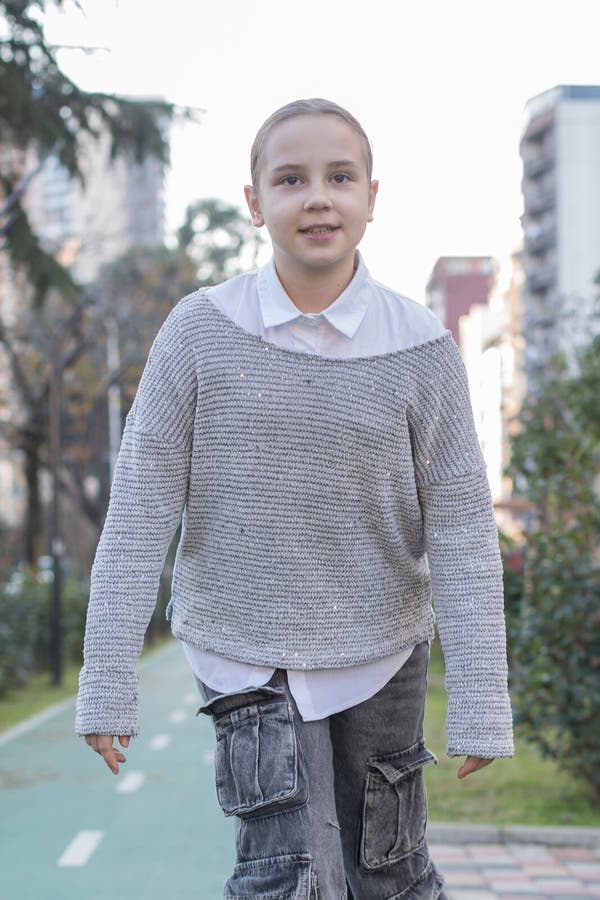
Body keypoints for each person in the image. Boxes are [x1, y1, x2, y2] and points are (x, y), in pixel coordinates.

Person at [76, 98, 514, 899]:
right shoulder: (198, 333)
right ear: (255, 203)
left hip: (384, 651)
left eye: (339, 177)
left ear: (372, 198)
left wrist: (482, 697)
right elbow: (141, 506)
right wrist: (107, 677)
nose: (318, 196)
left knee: (391, 876)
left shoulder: (421, 347)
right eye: (291, 179)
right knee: (294, 877)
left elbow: (458, 526)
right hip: (245, 650)